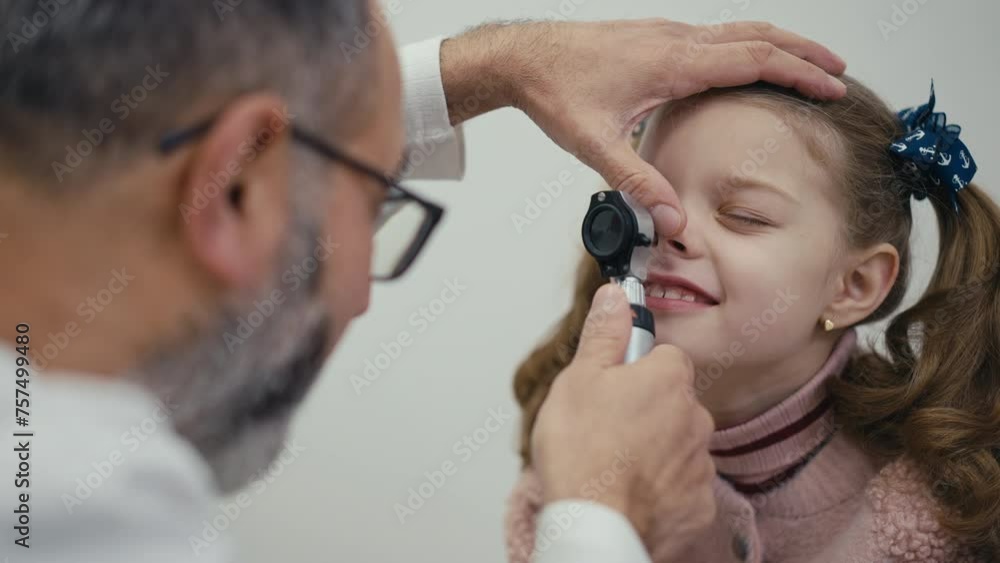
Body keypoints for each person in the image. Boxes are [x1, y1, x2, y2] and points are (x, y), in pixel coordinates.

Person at [0, 1, 849, 561]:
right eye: (375, 203)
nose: (366, 291)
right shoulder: (83, 519)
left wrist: (492, 65)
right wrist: (597, 517)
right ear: (235, 188)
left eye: (742, 213)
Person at [505, 76, 999, 562]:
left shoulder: (943, 513)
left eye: (743, 215)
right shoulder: (567, 485)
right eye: (647, 204)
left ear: (855, 285)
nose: (667, 231)